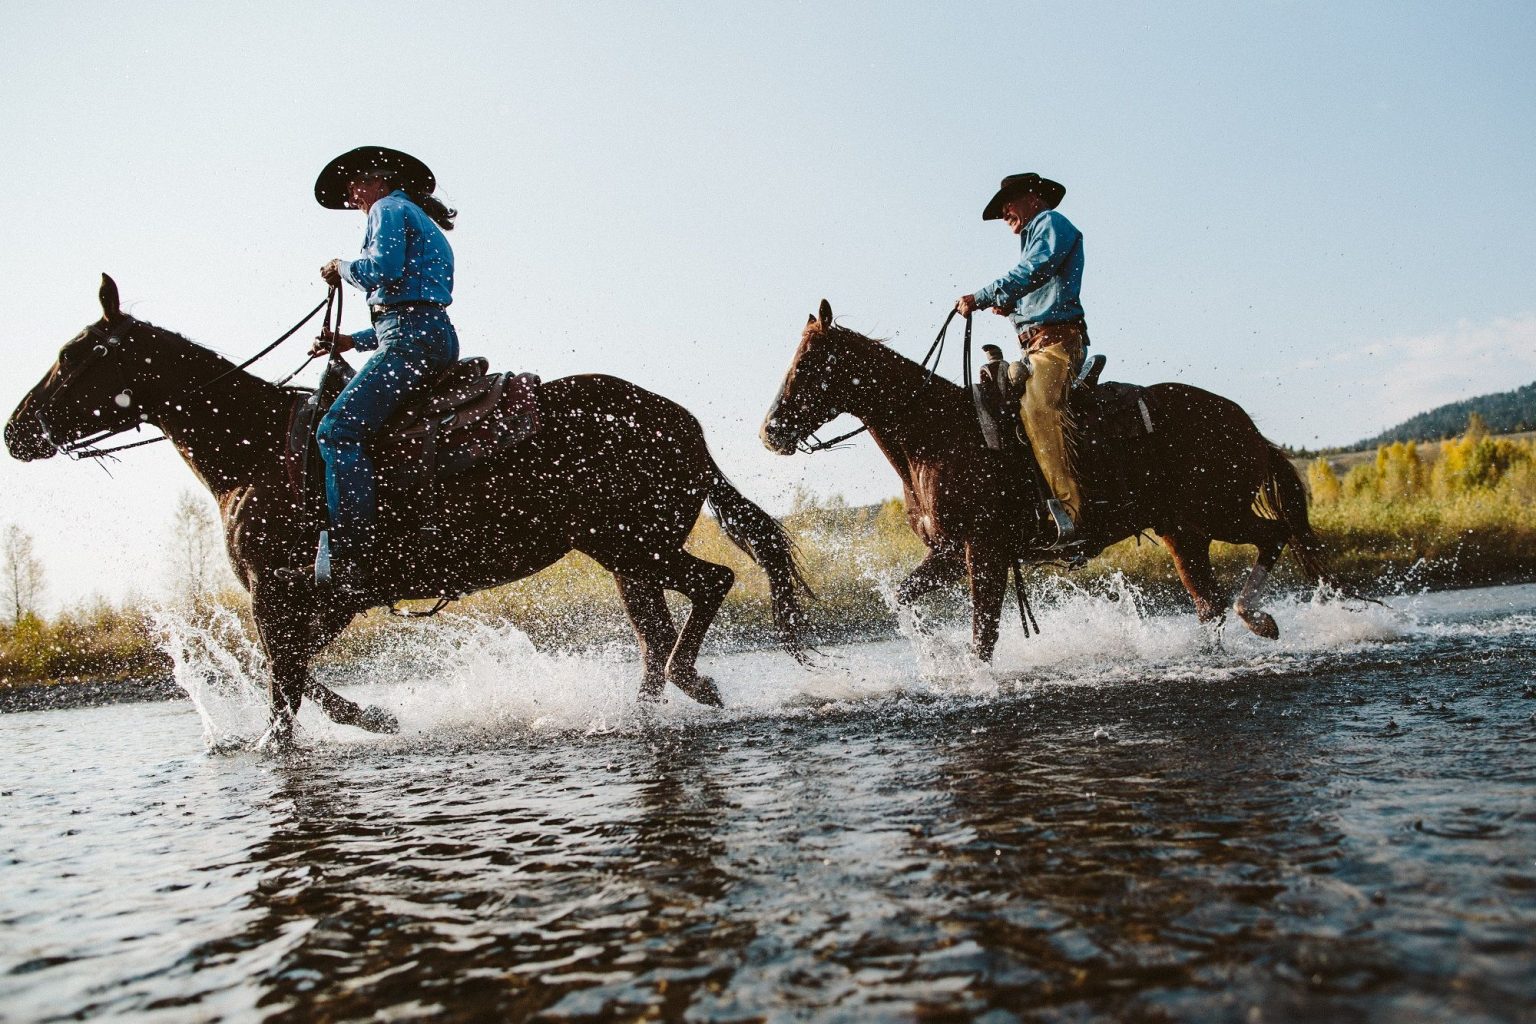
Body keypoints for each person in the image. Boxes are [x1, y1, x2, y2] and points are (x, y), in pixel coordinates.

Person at [310, 146, 461, 594]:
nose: (353, 196)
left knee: (336, 431)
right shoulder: (414, 215)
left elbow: (383, 269)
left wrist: (342, 266)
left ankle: (353, 555)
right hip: (428, 335)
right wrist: (351, 342)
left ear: (379, 180)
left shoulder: (387, 209)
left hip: (410, 339)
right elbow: (407, 306)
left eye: (356, 185)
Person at [955, 172, 1087, 545]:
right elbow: (1036, 287)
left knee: (1039, 408)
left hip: (1058, 346)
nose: (1003, 214)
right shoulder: (1034, 239)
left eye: (1007, 205)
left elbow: (1036, 270)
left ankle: (1071, 514)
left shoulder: (1051, 223)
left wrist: (983, 296)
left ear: (1031, 197)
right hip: (1035, 346)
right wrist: (1011, 308)